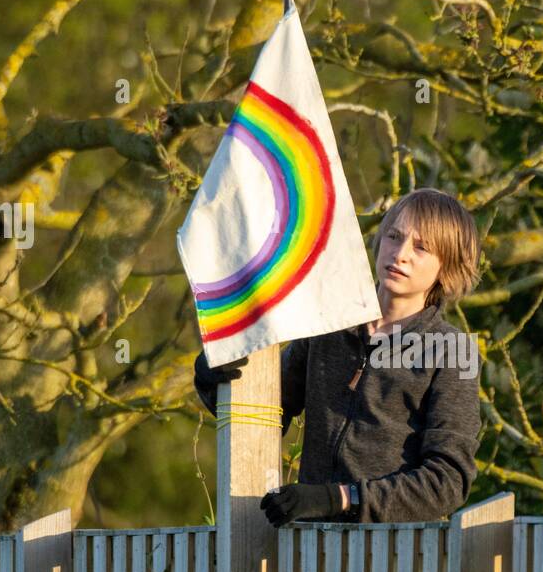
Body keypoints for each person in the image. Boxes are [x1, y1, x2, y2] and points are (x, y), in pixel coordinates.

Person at [193, 187, 483, 525]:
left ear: (445, 267)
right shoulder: (327, 324)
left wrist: (343, 498)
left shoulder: (453, 351)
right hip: (309, 552)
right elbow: (260, 417)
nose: (400, 253)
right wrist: (213, 375)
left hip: (399, 558)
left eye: (421, 248)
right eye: (394, 236)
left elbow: (447, 482)